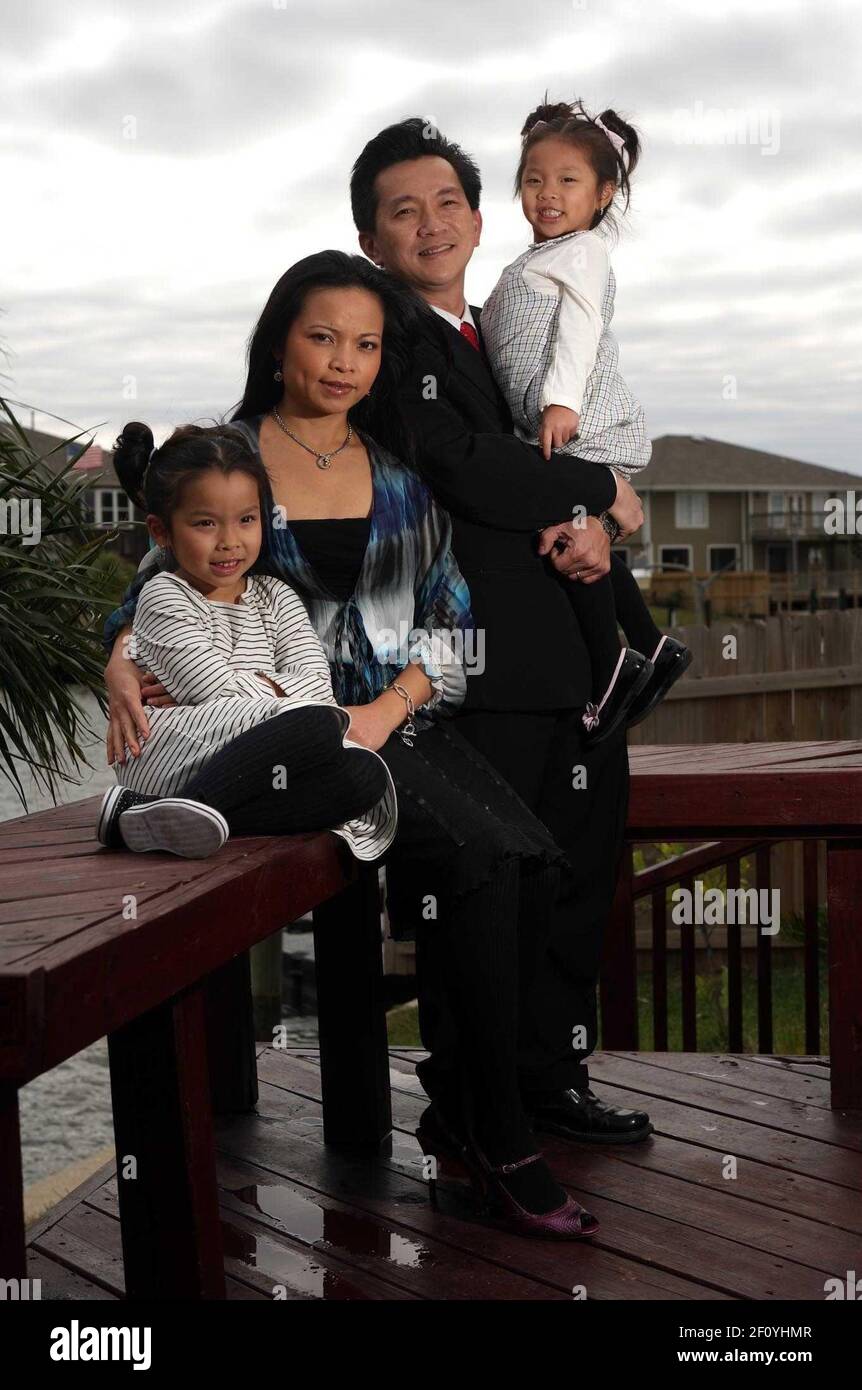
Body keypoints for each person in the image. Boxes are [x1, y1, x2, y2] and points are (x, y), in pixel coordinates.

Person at [102, 251, 598, 1239]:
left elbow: (453, 622)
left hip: (392, 720)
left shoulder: (400, 477)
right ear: (278, 340)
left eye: (366, 343)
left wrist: (396, 702)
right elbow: (156, 592)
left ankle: (460, 1101)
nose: (342, 360)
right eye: (321, 336)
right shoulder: (226, 457)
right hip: (283, 734)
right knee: (480, 856)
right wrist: (115, 659)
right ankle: (498, 1138)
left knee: (535, 856)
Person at [352, 116, 654, 1144]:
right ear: (371, 242)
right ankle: (475, 1111)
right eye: (404, 209)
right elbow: (462, 463)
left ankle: (548, 1081)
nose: (431, 223)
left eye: (447, 202)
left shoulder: (499, 324)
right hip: (478, 670)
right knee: (484, 903)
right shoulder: (386, 343)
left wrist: (599, 524)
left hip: (563, 668)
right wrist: (597, 488)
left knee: (570, 885)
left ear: (479, 218)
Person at [481, 97, 691, 741]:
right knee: (575, 536)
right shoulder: (537, 259)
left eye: (568, 181)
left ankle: (610, 668)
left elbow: (580, 329)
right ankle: (653, 647)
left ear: (603, 195)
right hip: (548, 422)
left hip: (576, 422)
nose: (548, 194)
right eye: (534, 180)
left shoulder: (583, 251)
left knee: (572, 542)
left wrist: (563, 402)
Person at [96, 420, 395, 862]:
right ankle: (181, 803)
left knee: (364, 777)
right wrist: (280, 688)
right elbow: (217, 691)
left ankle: (162, 819)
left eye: (246, 520)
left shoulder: (276, 596)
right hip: (174, 752)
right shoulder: (164, 595)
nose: (229, 542)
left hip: (253, 759)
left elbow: (319, 687)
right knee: (317, 725)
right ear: (161, 531)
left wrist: (275, 700)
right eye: (205, 524)